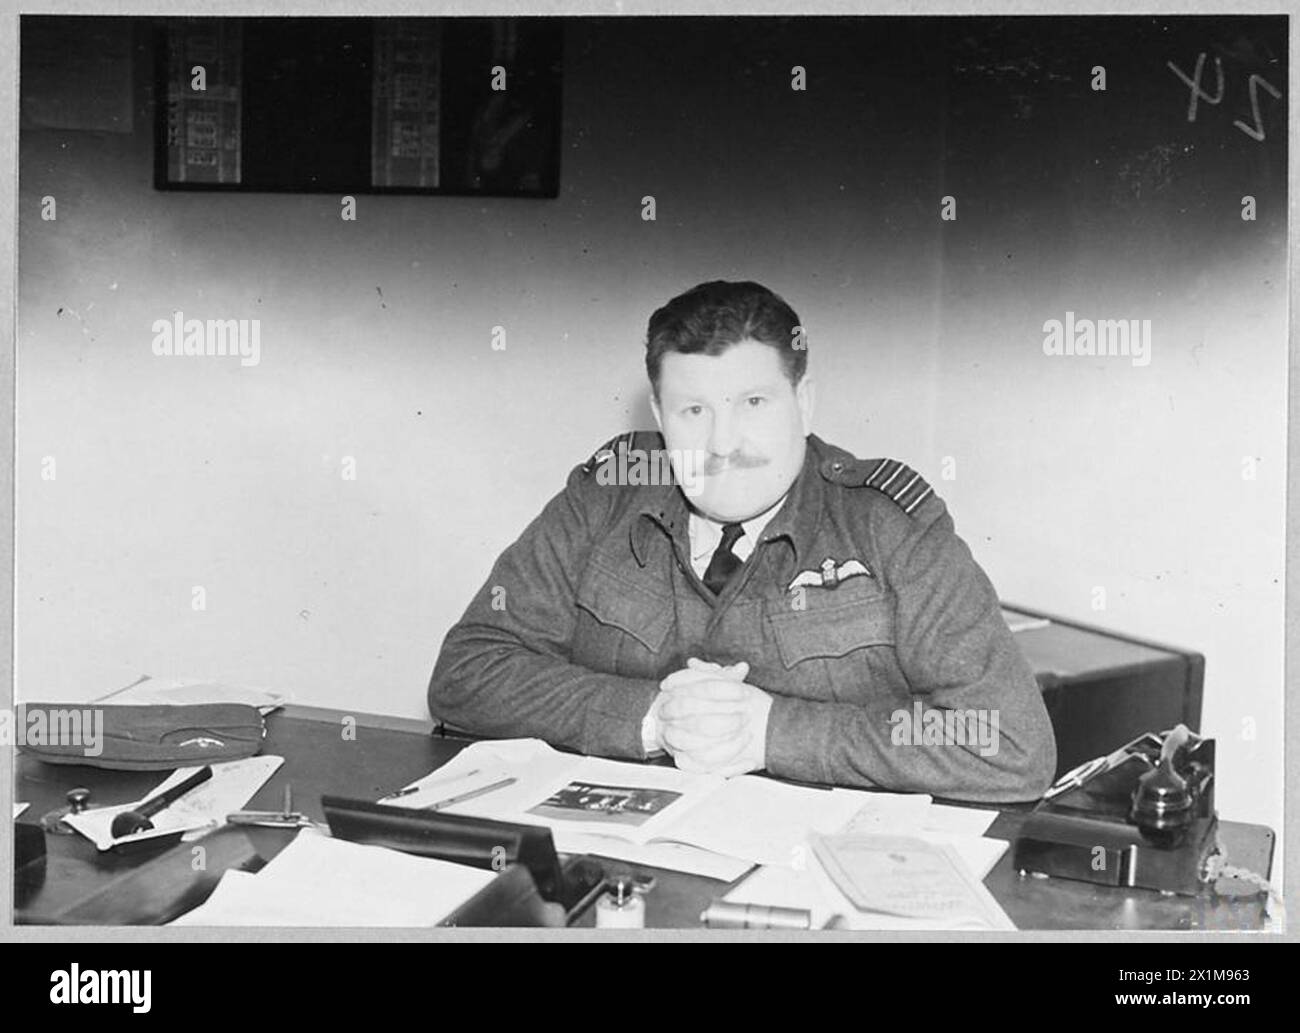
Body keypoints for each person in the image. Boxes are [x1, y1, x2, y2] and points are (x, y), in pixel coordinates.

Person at [429, 281, 1056, 802]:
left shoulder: (887, 526)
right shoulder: (606, 496)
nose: (723, 443)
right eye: (693, 411)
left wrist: (772, 732)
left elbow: (1007, 743)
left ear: (803, 403)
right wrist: (651, 718)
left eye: (754, 402)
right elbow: (467, 672)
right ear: (658, 413)